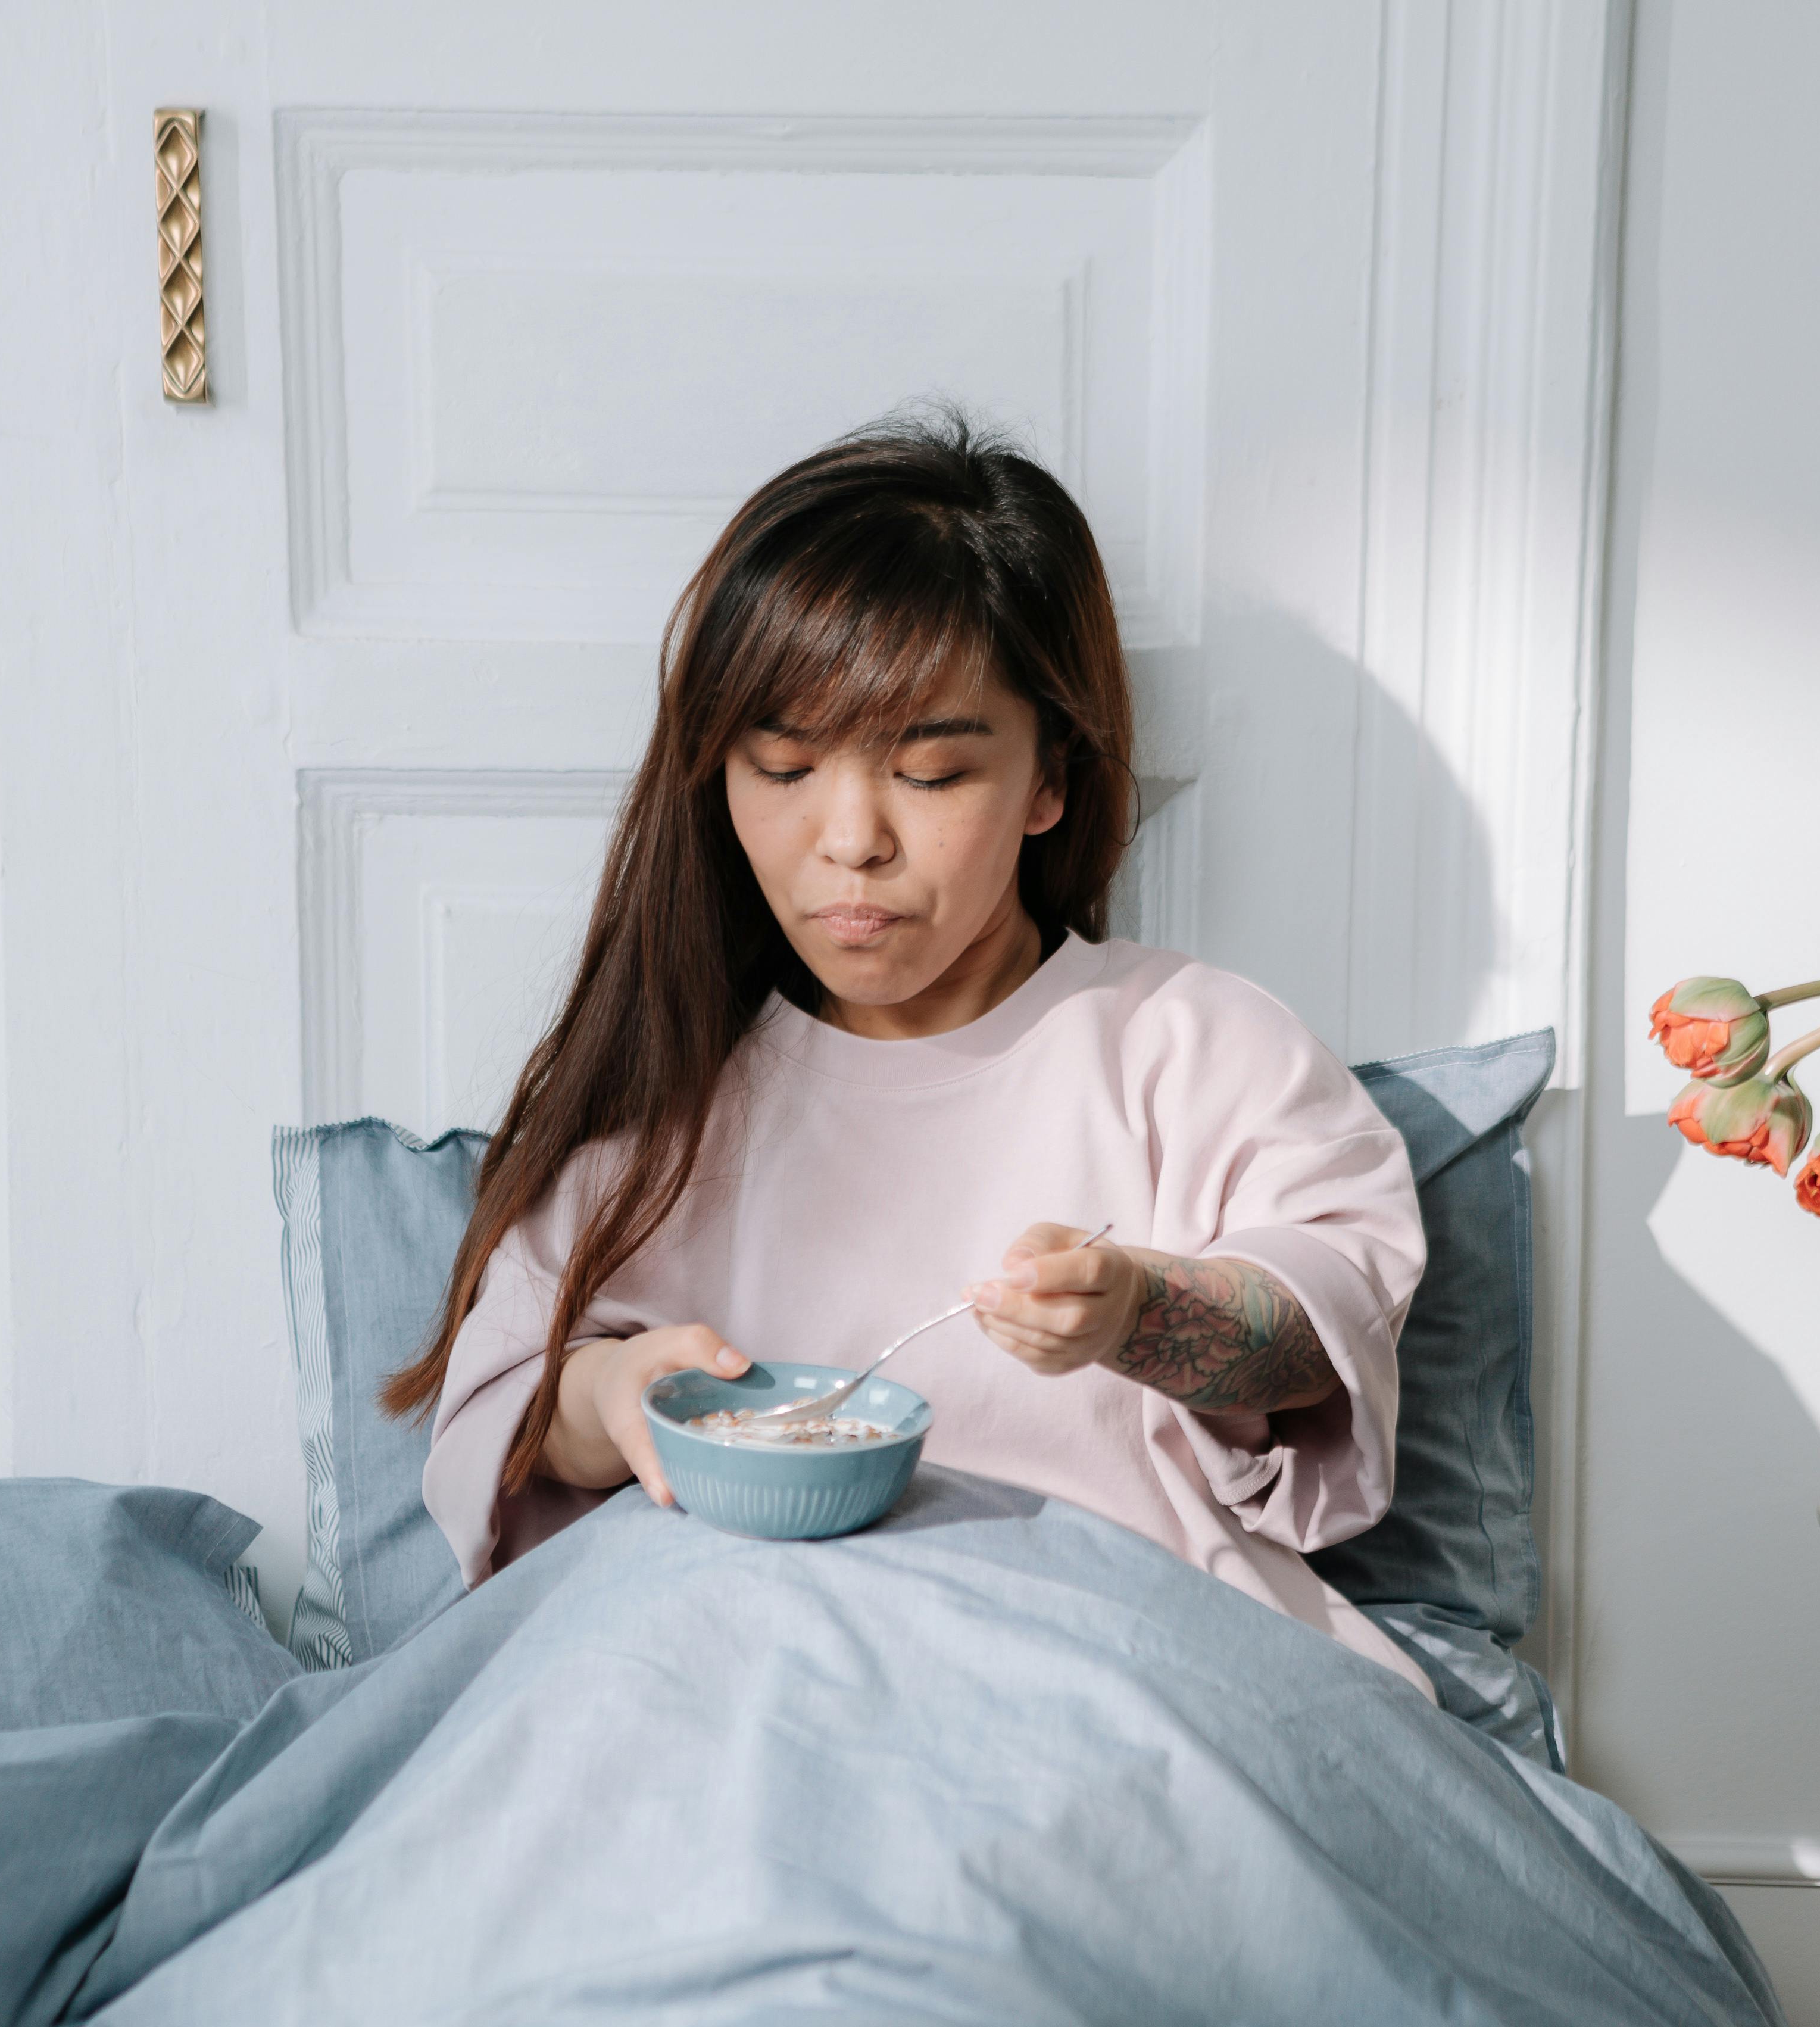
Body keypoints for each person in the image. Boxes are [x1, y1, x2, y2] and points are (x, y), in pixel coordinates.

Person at [386, 412, 1428, 1691]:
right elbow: (511, 1408)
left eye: (930, 774)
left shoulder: (1193, 1046)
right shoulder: (672, 1099)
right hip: (745, 1686)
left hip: (1119, 1681)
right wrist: (612, 1405)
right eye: (783, 764)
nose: (851, 839)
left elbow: (1322, 1325)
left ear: (1049, 779)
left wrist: (1144, 1311)